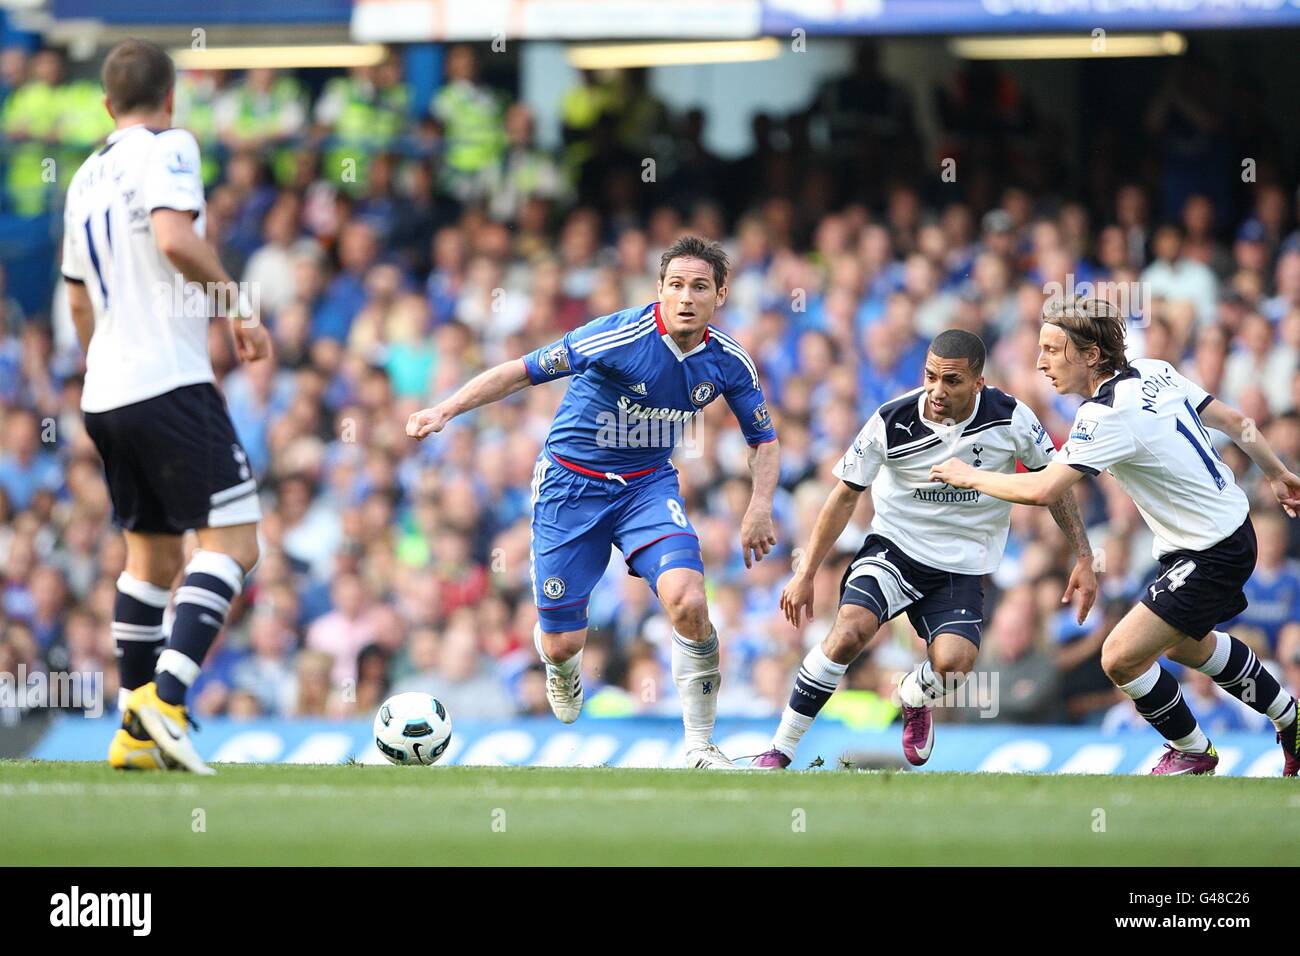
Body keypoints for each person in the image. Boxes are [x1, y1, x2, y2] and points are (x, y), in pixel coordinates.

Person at [407, 235, 780, 768]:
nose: (686, 297)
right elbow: (523, 369)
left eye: (700, 286)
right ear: (659, 289)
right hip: (570, 487)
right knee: (562, 643)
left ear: (720, 294)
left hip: (646, 487)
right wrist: (446, 409)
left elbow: (763, 439)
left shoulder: (728, 362)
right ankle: (560, 665)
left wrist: (759, 506)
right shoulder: (618, 333)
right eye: (675, 285)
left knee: (690, 601)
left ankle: (700, 746)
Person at [930, 296, 1300, 775]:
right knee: (1186, 645)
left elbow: (1044, 488)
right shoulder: (1152, 370)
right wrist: (1276, 472)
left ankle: (1192, 750)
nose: (1040, 362)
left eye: (1052, 349)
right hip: (1220, 534)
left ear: (1090, 355)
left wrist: (969, 476)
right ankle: (1290, 719)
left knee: (1120, 658)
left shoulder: (1106, 415)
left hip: (1211, 550)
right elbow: (1232, 420)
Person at [60, 40, 270, 774]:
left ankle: (130, 732)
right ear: (170, 99)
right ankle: (167, 698)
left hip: (106, 389)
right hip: (169, 382)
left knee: (149, 556)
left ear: (107, 104)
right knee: (236, 543)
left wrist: (101, 361)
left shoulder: (83, 178)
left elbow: (77, 299)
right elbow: (177, 238)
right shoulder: (169, 146)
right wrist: (238, 305)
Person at [753, 329, 1096, 768]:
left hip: (962, 566)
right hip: (894, 550)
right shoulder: (891, 420)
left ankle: (914, 695)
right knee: (850, 631)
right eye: (931, 376)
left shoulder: (1012, 418)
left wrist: (1084, 555)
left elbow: (1057, 487)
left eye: (951, 381)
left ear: (979, 383)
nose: (937, 390)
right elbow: (843, 495)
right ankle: (779, 749)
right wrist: (804, 573)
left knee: (955, 664)